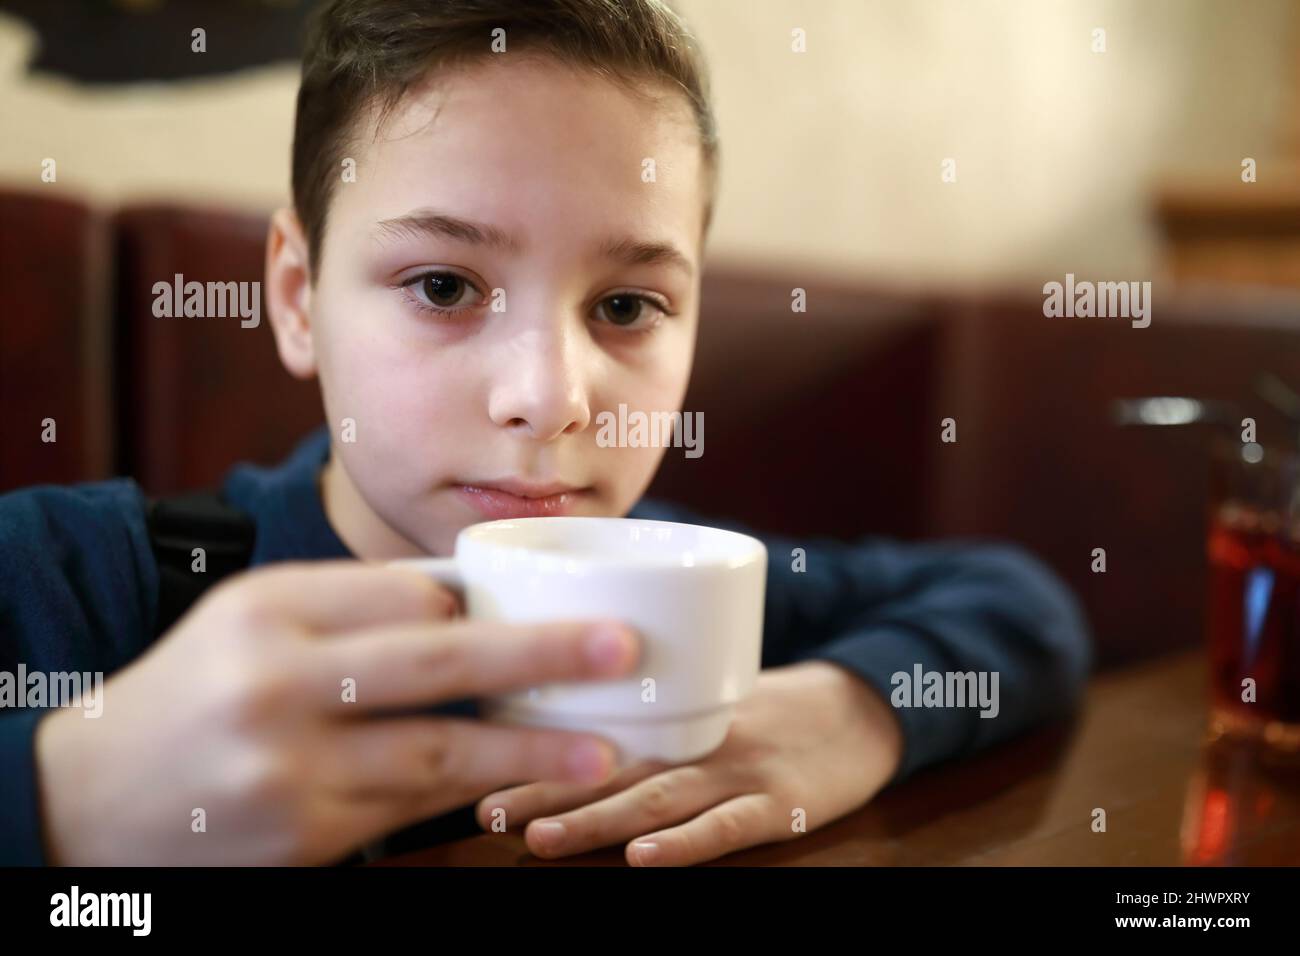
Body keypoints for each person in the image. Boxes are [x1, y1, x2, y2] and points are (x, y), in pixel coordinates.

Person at [0, 0, 1090, 866]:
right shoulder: (72, 583)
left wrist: (854, 713)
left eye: (626, 306)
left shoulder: (681, 594)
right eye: (443, 284)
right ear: (295, 296)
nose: (551, 396)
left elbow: (1022, 607)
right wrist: (60, 798)